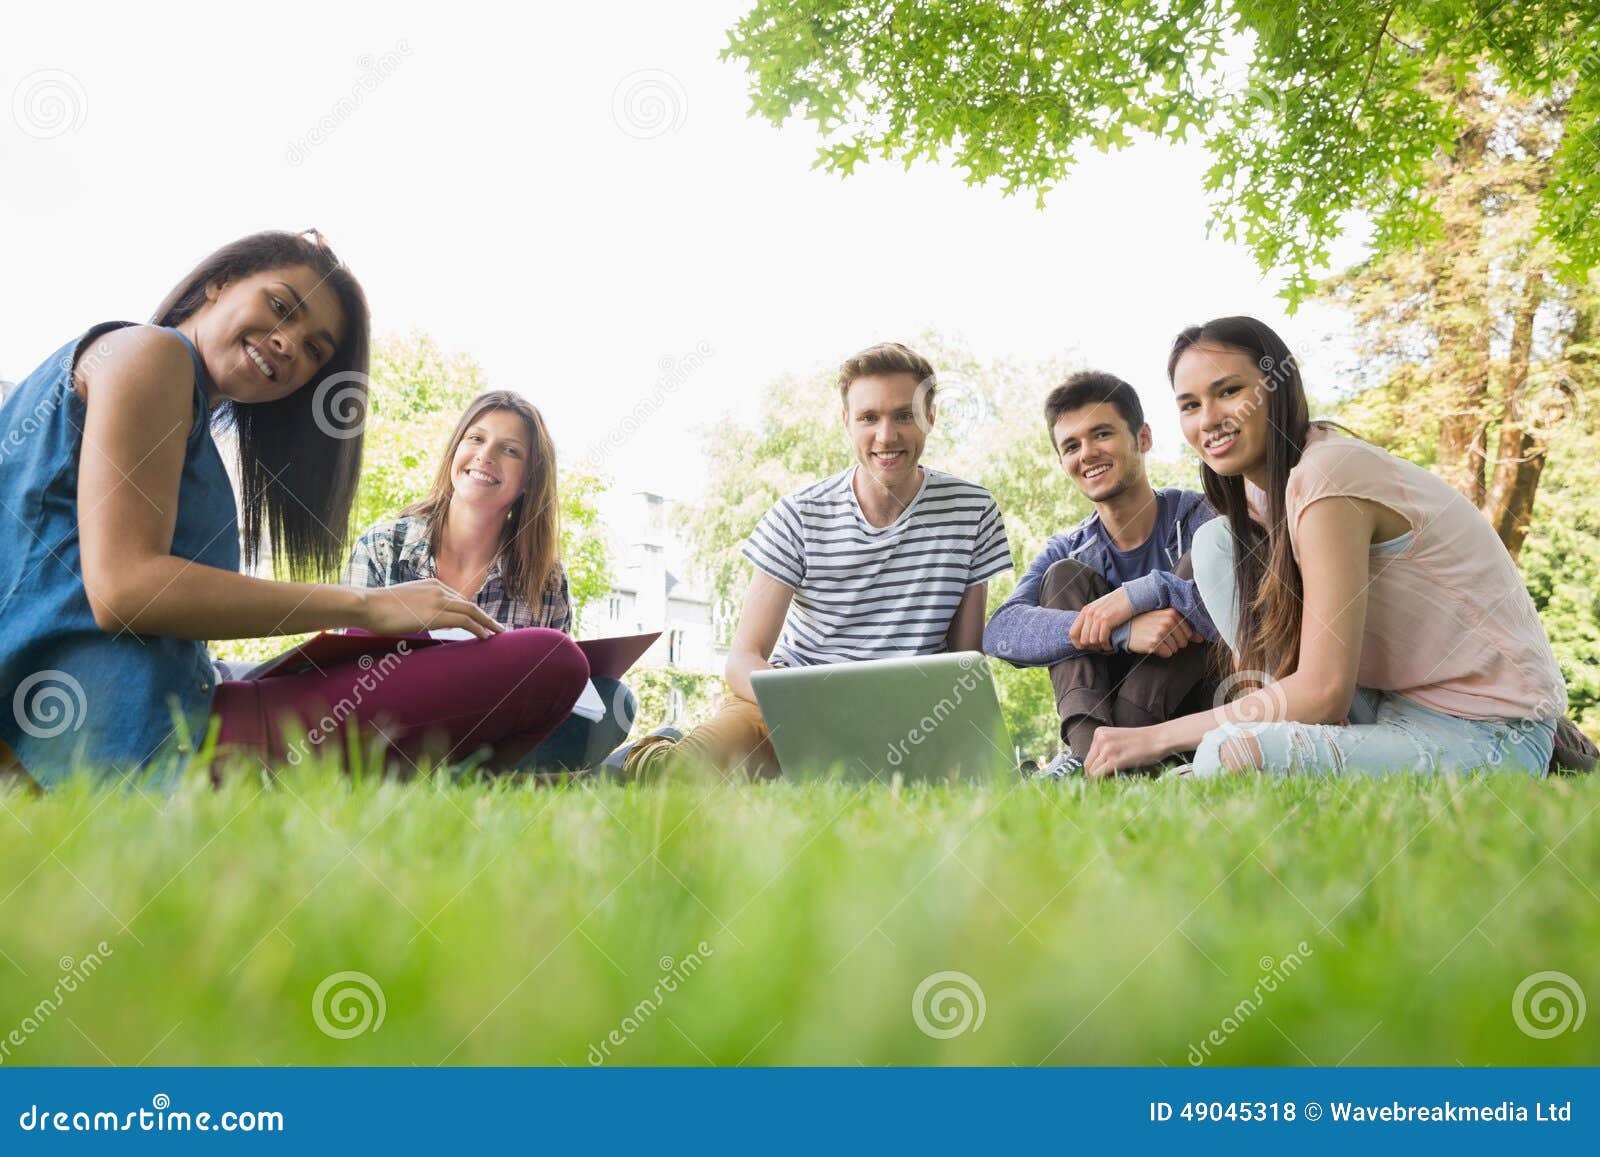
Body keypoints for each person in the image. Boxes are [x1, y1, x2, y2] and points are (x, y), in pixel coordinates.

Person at [0, 231, 586, 790]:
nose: (287, 344)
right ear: (220, 282)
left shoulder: (159, 387)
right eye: (280, 306)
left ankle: (429, 781)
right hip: (131, 739)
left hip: (165, 700)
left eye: (314, 350)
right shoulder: (151, 354)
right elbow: (124, 589)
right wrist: (369, 606)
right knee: (549, 664)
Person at [1084, 316, 1568, 779]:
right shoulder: (1261, 497)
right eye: (1190, 405)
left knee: (1227, 755)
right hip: (1388, 705)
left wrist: (1154, 737)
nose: (1209, 420)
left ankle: (1560, 750)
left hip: (1489, 730)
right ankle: (1300, 751)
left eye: (1229, 391)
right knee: (1216, 542)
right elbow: (1275, 660)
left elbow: (1323, 693)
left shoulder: (1328, 476)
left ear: (1278, 390)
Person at [617, 341, 1013, 780]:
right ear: (846, 421)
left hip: (911, 719)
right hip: (792, 708)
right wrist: (816, 715)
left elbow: (962, 662)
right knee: (677, 778)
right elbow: (743, 658)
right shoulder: (799, 515)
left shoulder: (972, 510)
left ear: (930, 418)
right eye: (868, 418)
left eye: (904, 415)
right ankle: (653, 750)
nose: (886, 436)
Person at [346, 390, 635, 773]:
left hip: (497, 737)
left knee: (616, 700)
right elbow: (348, 673)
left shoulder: (545, 580)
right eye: (476, 439)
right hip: (400, 727)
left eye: (510, 450)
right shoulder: (383, 547)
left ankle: (472, 778)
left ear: (529, 479)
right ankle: (475, 779)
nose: (487, 456)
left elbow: (552, 694)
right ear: (455, 451)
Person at [983, 371, 1223, 777]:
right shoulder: (1071, 546)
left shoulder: (1200, 517)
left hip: (1191, 716)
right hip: (1101, 722)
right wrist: (1119, 631)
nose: (1087, 453)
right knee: (1062, 578)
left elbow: (1252, 607)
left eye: (1101, 435)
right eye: (1071, 446)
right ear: (1063, 463)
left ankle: (1102, 764)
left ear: (1143, 438)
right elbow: (1001, 631)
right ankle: (1090, 754)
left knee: (1199, 562)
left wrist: (1149, 596)